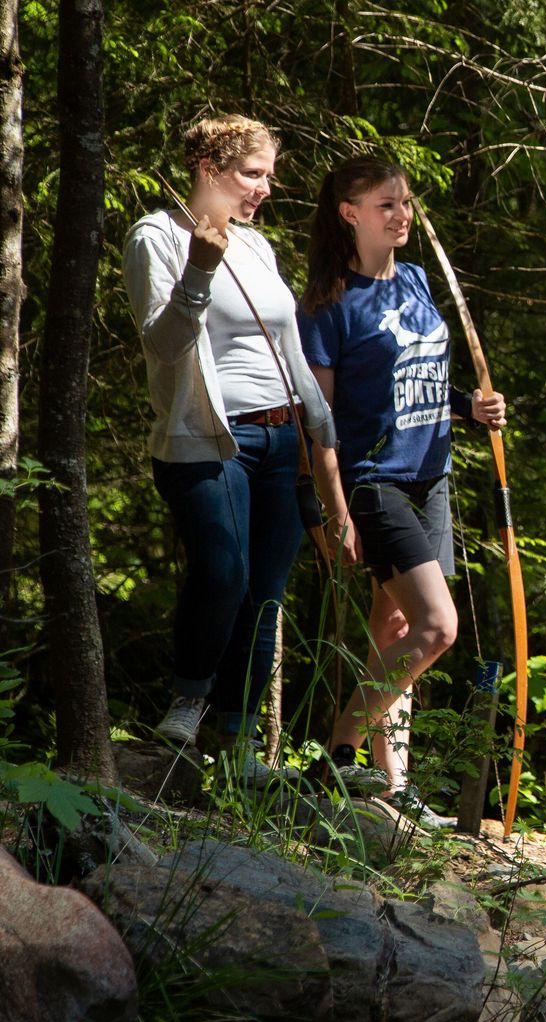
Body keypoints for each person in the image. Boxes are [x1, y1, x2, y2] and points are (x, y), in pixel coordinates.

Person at [124, 115, 339, 786]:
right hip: (208, 437)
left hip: (282, 436)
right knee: (225, 572)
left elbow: (291, 352)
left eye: (268, 175)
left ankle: (239, 746)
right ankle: (189, 698)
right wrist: (199, 268)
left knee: (265, 597)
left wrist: (322, 432)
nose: (265, 188)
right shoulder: (156, 237)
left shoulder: (257, 246)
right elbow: (162, 345)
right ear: (209, 169)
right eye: (253, 174)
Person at [298, 157, 507, 827]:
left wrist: (467, 411)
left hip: (431, 476)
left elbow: (414, 387)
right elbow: (320, 421)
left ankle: (392, 786)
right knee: (437, 626)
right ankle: (337, 752)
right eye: (385, 204)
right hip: (373, 482)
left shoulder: (415, 279)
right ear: (349, 213)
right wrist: (331, 510)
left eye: (405, 202)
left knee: (393, 629)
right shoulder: (329, 306)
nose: (401, 213)